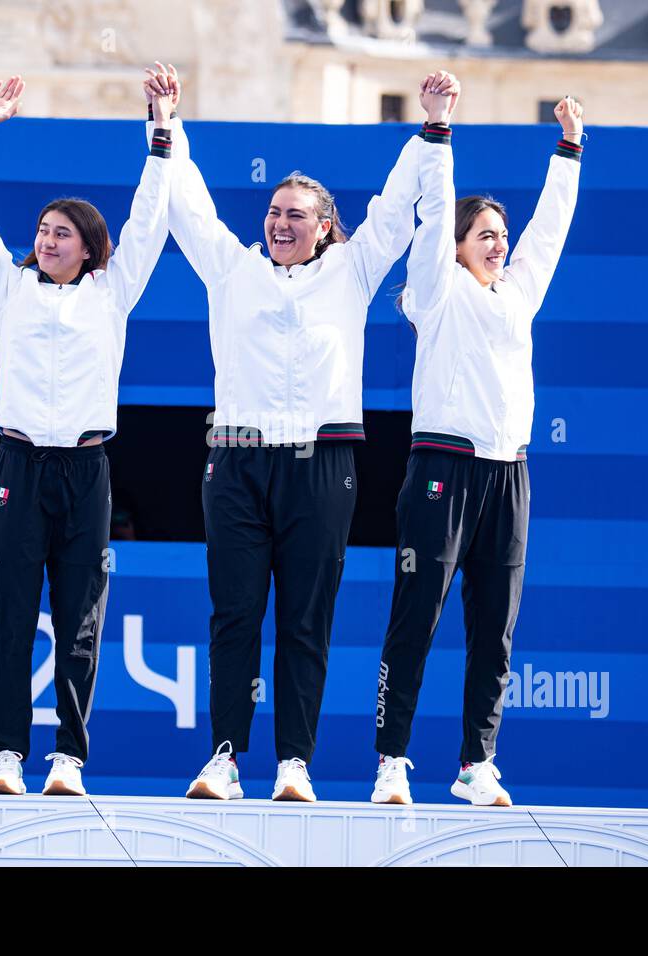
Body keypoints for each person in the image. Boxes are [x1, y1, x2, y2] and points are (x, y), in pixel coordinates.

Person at [165, 63, 450, 803]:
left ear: (324, 227)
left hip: (325, 463)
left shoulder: (352, 272)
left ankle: (295, 763)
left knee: (306, 618)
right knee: (234, 613)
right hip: (234, 461)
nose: (280, 224)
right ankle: (224, 759)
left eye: (296, 215)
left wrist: (432, 129)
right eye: (273, 212)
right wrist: (166, 124)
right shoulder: (233, 272)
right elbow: (188, 208)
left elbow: (395, 209)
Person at [0, 69, 176, 797]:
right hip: (17, 463)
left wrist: (160, 125)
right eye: (43, 231)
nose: (47, 240)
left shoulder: (113, 293)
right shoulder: (6, 288)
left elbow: (151, 218)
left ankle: (69, 758)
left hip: (86, 471)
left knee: (81, 619)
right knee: (12, 616)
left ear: (88, 248)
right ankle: (5, 756)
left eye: (62, 233)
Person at [370, 80, 584, 806]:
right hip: (443, 468)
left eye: (502, 233)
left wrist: (569, 151)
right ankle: (392, 761)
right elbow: (432, 220)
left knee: (494, 630)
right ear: (457, 245)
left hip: (509, 473)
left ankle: (476, 763)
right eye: (484, 234)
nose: (500, 243)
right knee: (417, 618)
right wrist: (439, 129)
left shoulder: (517, 294)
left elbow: (549, 233)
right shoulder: (436, 291)